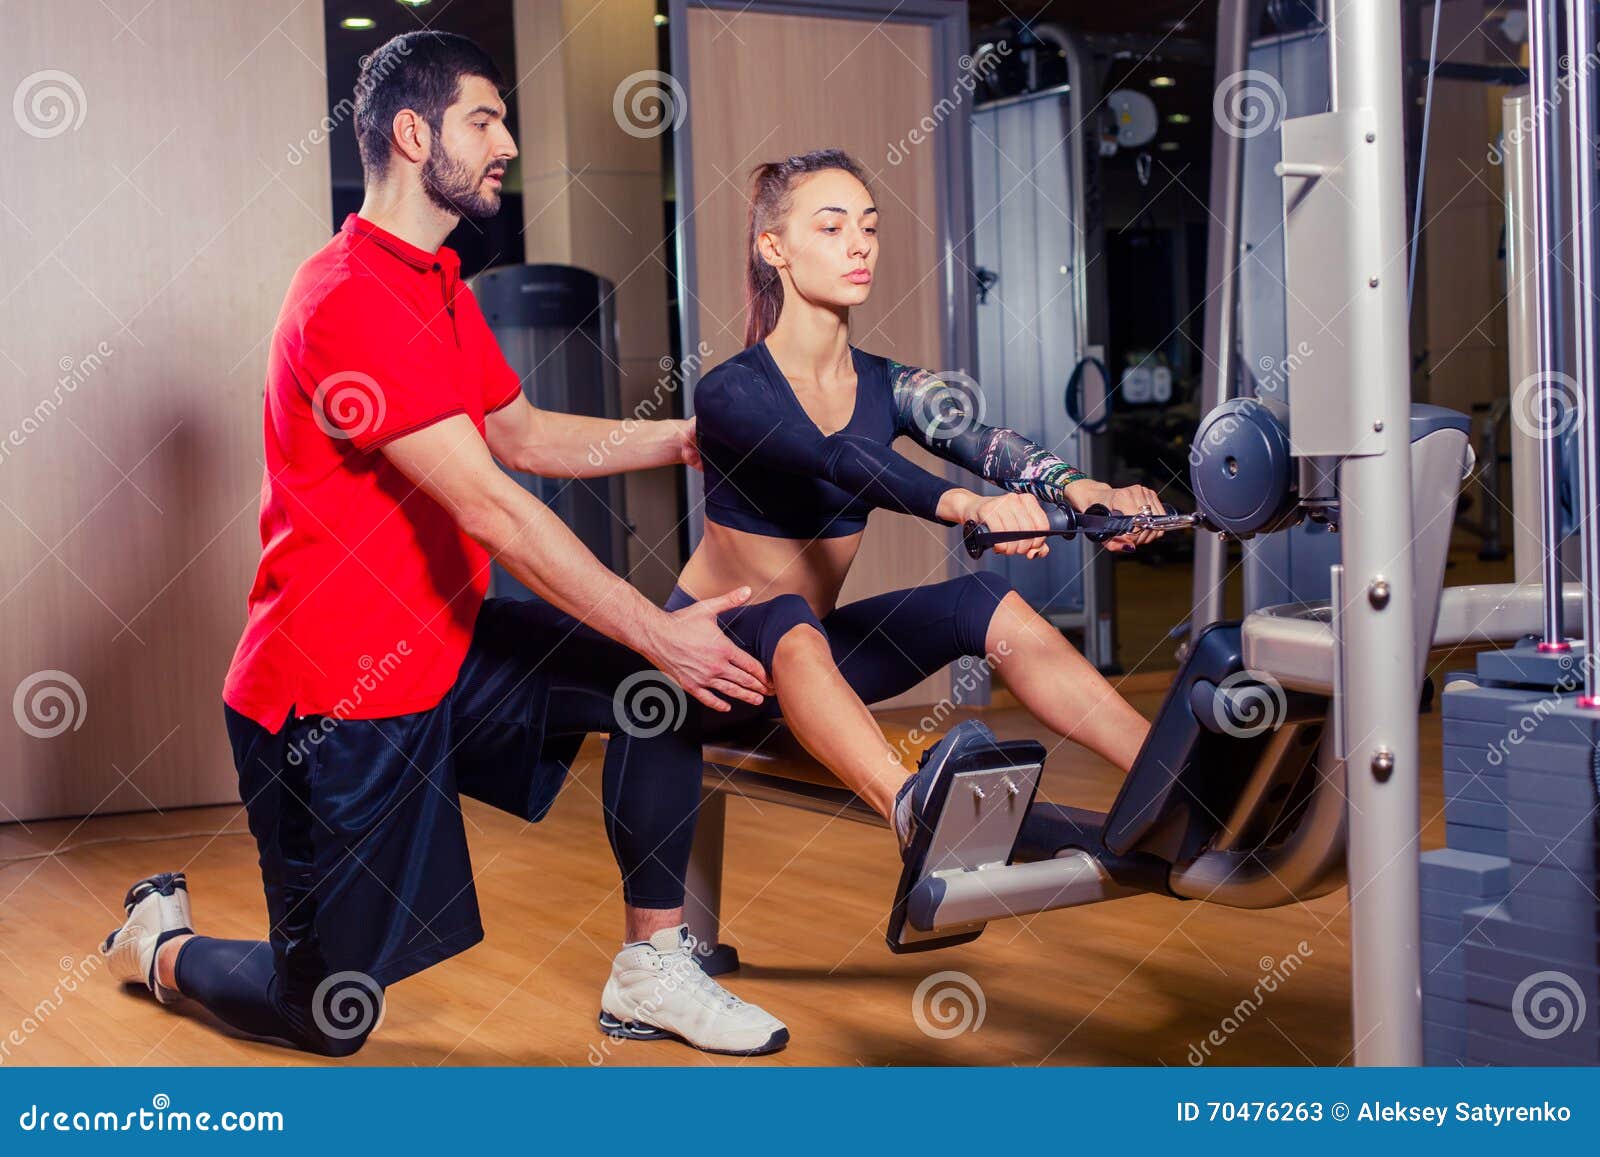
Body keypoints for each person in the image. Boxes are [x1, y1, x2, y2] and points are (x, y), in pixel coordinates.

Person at [98, 32, 790, 1060]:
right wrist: (664, 623)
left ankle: (652, 967)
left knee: (663, 682)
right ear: (415, 133)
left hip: (449, 651)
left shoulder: (439, 284)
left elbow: (521, 436)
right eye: (485, 119)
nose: (507, 140)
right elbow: (496, 507)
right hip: (333, 702)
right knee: (324, 1014)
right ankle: (157, 942)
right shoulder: (344, 301)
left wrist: (687, 437)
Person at [664, 149, 1167, 857]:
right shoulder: (730, 392)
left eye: (867, 226)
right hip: (706, 672)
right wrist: (970, 506)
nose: (860, 244)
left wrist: (1082, 490)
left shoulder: (890, 384)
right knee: (783, 616)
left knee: (981, 601)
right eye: (832, 228)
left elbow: (985, 442)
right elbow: (841, 459)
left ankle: (1177, 783)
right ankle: (915, 814)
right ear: (773, 247)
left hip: (806, 667)